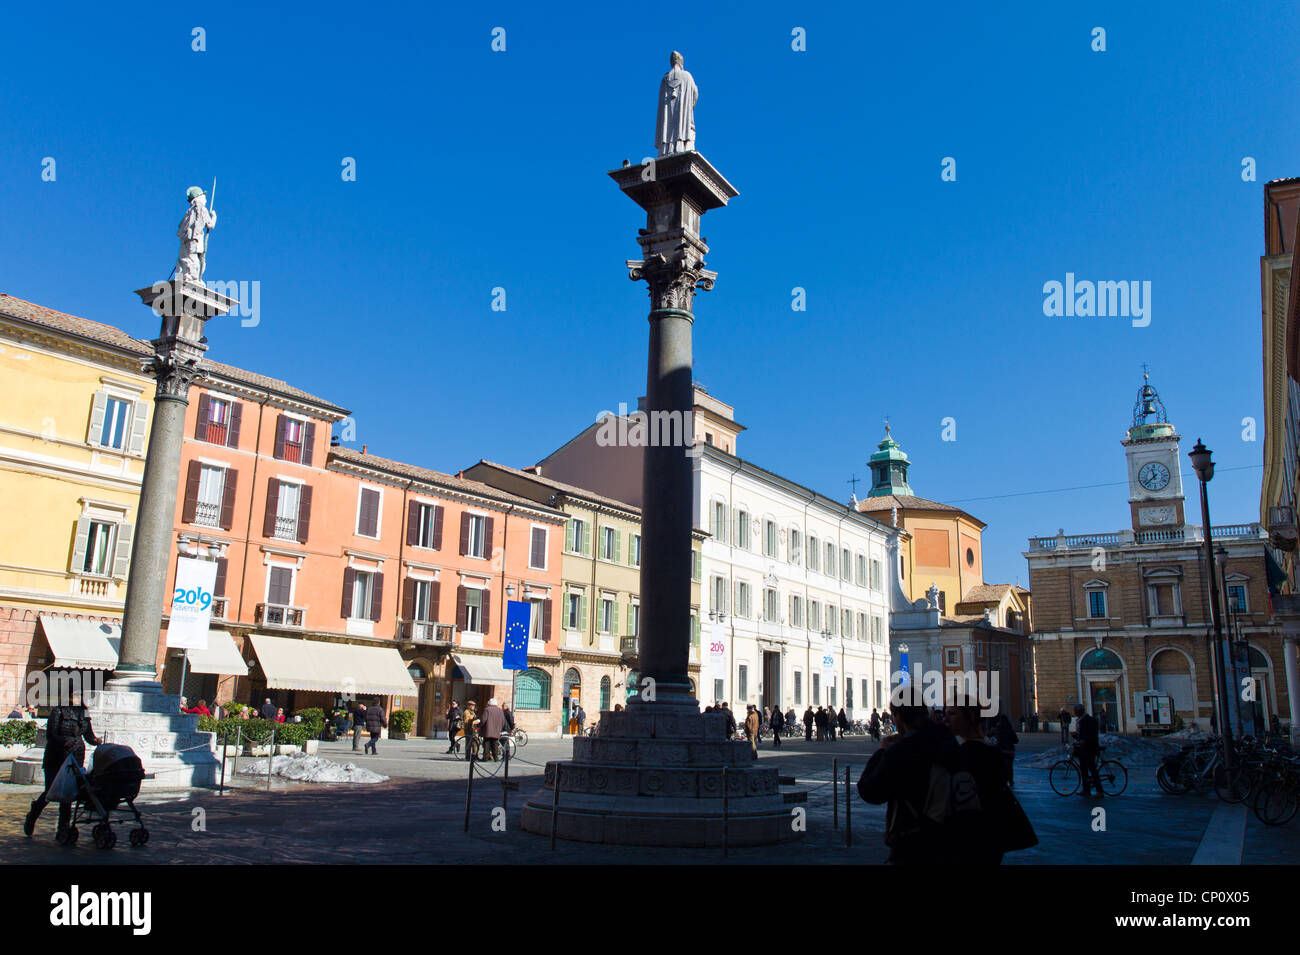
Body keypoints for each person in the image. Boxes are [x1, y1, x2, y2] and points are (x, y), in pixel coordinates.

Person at [857, 688, 966, 864]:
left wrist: (882, 752)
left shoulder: (903, 750)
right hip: (950, 839)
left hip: (913, 842)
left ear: (898, 716)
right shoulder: (946, 739)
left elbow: (869, 790)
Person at [24, 688, 102, 838]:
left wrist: (95, 740)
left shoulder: (84, 712)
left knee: (68, 793)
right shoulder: (58, 711)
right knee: (50, 791)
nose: (78, 697)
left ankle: (63, 828)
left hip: (76, 756)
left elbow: (88, 734)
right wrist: (64, 741)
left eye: (80, 695)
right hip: (57, 756)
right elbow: (51, 735)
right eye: (76, 694)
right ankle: (33, 815)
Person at [943, 695, 1011, 865]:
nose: (946, 718)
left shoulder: (968, 753)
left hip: (973, 838)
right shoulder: (989, 750)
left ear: (970, 717)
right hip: (990, 837)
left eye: (952, 714)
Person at [1072, 704, 1102, 798]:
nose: (1075, 713)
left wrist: (1084, 740)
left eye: (1076, 711)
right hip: (1083, 749)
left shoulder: (1089, 720)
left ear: (1080, 711)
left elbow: (1092, 734)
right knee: (1083, 770)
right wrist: (1076, 736)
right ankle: (1086, 789)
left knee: (1092, 769)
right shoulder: (1081, 720)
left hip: (1090, 748)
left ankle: (1099, 791)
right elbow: (1082, 735)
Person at [990, 712, 1019, 786]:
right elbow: (1016, 740)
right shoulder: (1010, 729)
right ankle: (1011, 780)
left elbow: (988, 735)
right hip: (1010, 750)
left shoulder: (997, 729)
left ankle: (1003, 780)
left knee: (1001, 766)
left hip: (1000, 750)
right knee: (1010, 767)